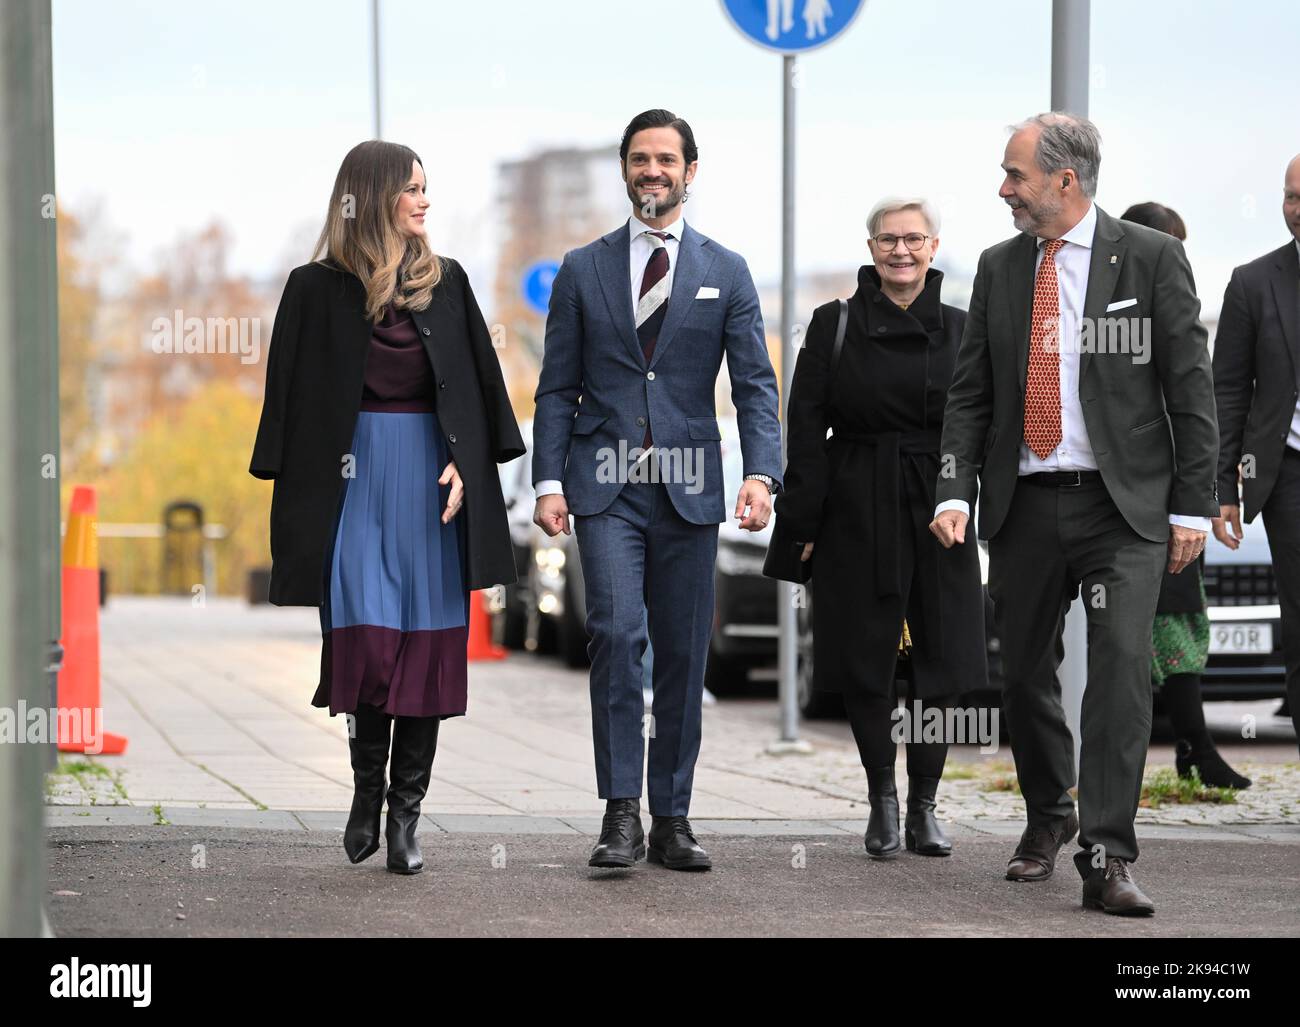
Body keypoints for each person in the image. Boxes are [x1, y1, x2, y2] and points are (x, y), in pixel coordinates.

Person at [931, 113, 1219, 916]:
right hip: (1023, 505)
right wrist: (955, 488)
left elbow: (1190, 390)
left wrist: (1194, 502)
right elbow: (971, 393)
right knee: (1023, 675)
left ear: (1066, 181)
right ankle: (1049, 813)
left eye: (1015, 175)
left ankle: (1109, 854)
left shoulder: (1152, 258)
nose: (1003, 190)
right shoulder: (998, 267)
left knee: (1123, 670)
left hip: (1123, 510)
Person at [249, 140, 525, 875]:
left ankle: (406, 817)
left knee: (427, 655)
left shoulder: (451, 281)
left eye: (426, 188)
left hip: (432, 489)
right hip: (351, 486)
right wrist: (291, 482)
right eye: (412, 189)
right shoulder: (314, 287)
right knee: (367, 646)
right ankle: (365, 791)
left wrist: (469, 464)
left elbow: (481, 391)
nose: (424, 201)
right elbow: (287, 398)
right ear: (372, 198)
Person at [532, 109, 783, 872]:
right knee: (613, 633)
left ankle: (672, 817)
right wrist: (547, 479)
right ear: (625, 170)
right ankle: (621, 814)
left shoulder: (726, 270)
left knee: (682, 650)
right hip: (605, 488)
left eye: (665, 159)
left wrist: (763, 473)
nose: (652, 171)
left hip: (690, 489)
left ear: (689, 171)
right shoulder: (583, 269)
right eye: (640, 158)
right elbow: (555, 389)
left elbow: (755, 384)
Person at [772, 197, 987, 859]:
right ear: (871, 247)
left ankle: (924, 802)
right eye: (889, 239)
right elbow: (804, 429)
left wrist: (982, 503)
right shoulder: (832, 324)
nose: (902, 250)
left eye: (914, 238)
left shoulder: (963, 328)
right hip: (856, 503)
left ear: (934, 245)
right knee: (867, 662)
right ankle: (881, 800)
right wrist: (801, 523)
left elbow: (983, 423)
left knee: (941, 662)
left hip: (939, 506)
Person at [1121, 202, 1249, 789]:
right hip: (1135, 495)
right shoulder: (1127, 314)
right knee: (1157, 626)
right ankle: (1191, 748)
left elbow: (1202, 412)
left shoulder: (1167, 309)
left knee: (1179, 620)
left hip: (1174, 494)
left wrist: (1205, 493)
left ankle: (1194, 747)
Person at [1211, 154, 1300, 757]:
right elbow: (1227, 389)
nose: (1298, 208)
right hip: (1289, 476)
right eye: (1292, 196)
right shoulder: (1254, 281)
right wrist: (1222, 487)